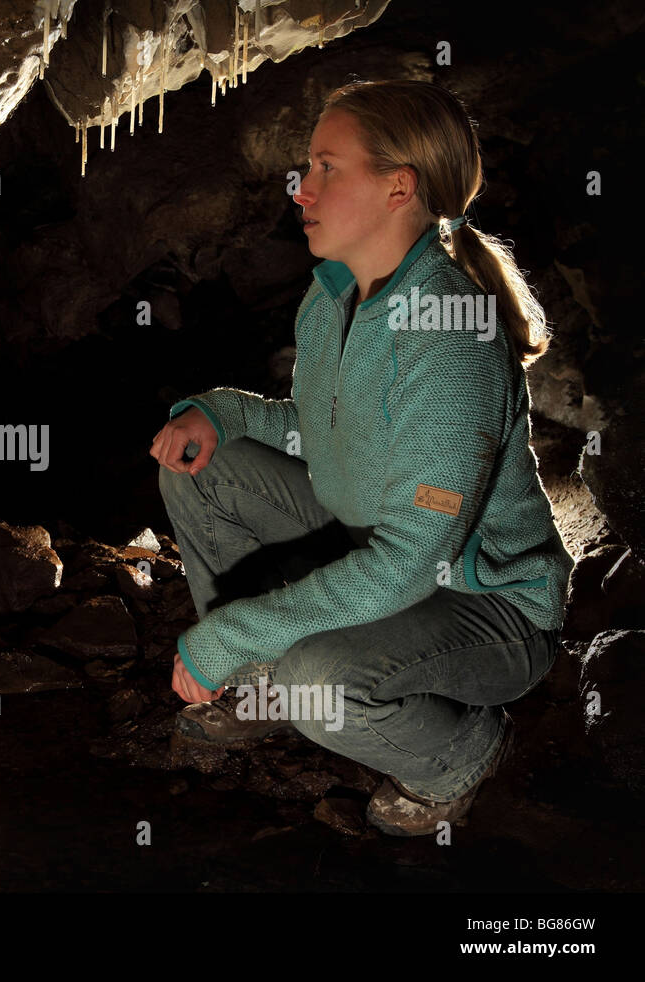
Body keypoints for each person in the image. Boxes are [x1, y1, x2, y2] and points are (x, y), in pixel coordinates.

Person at [150, 79, 574, 836]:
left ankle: (462, 754)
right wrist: (221, 413)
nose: (301, 190)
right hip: (375, 538)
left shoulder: (450, 332)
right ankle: (266, 689)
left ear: (397, 187)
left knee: (321, 676)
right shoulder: (335, 295)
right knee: (202, 468)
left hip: (486, 601)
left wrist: (231, 630)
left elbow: (415, 560)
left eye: (325, 167)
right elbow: (328, 432)